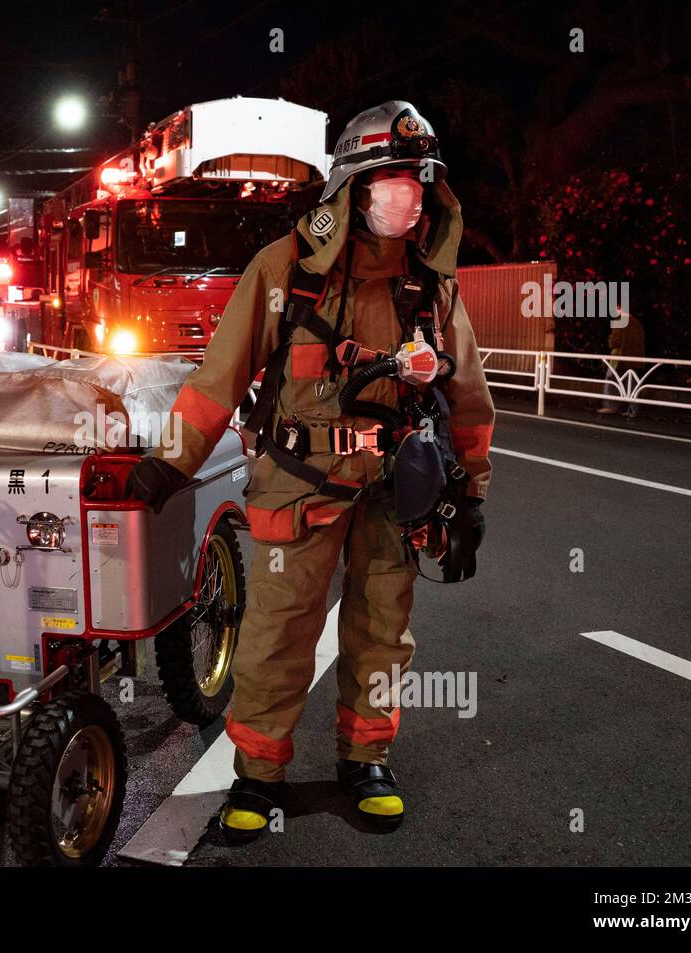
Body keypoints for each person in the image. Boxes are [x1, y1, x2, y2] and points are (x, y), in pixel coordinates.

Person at [126, 101, 494, 838]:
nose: (408, 195)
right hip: (297, 486)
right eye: (392, 178)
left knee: (384, 633)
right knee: (277, 635)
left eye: (418, 180)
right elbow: (219, 378)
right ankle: (258, 777)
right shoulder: (285, 270)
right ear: (353, 187)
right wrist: (168, 465)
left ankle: (367, 760)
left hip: (397, 491)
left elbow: (468, 397)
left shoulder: (432, 285)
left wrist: (471, 495)